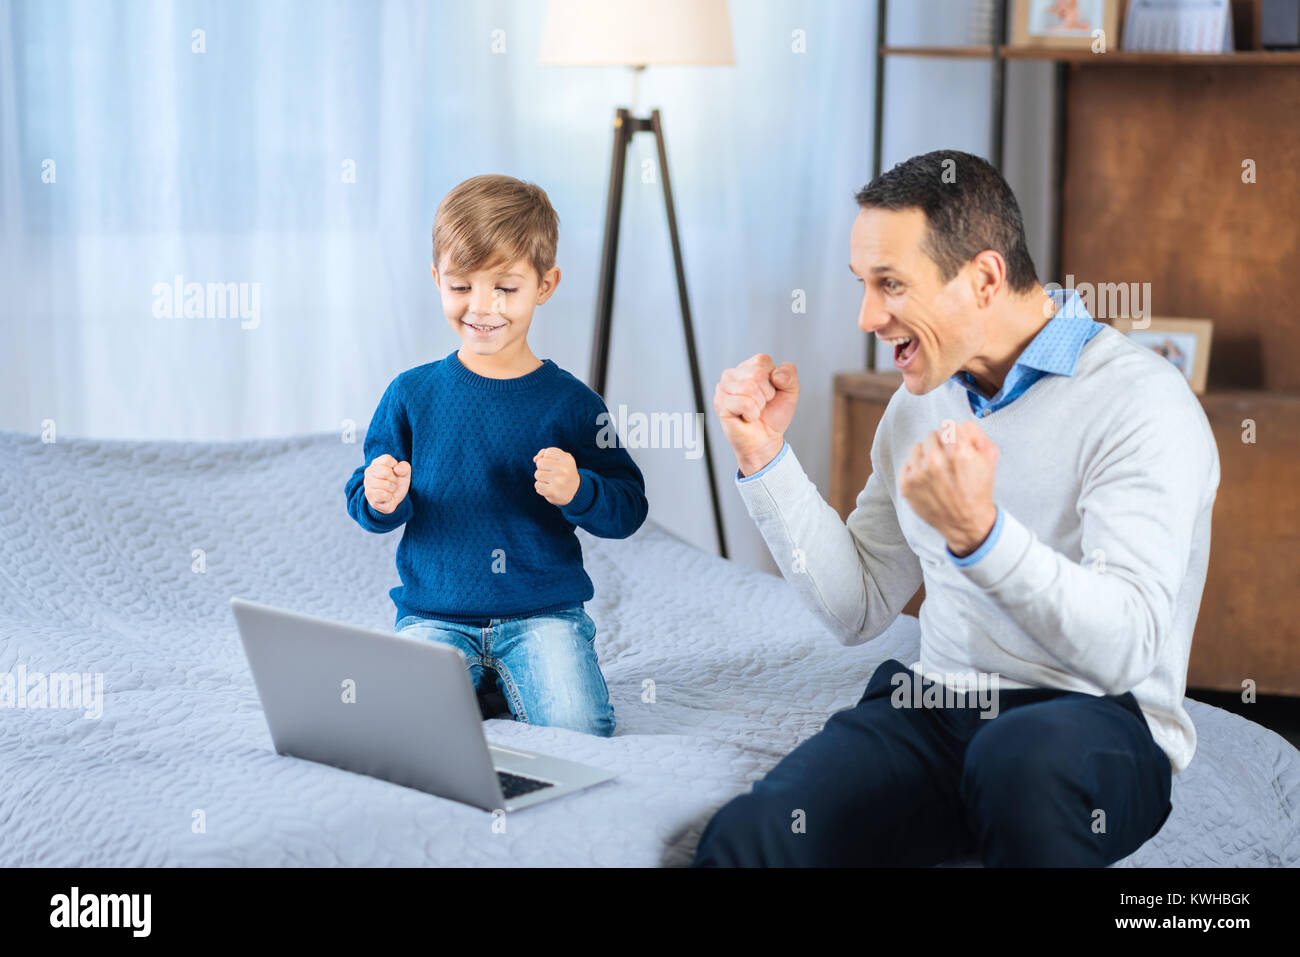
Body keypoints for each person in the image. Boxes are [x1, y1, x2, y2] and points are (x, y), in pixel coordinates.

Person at [696, 149, 1220, 866]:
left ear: (983, 278)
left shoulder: (1140, 403)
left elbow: (1126, 647)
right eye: (862, 285)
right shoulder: (920, 401)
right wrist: (764, 460)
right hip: (937, 705)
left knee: (1018, 761)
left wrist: (984, 536)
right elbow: (858, 608)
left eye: (891, 285)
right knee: (752, 833)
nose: (867, 316)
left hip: (1097, 716)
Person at [344, 174, 648, 737]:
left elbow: (628, 508)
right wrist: (382, 496)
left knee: (580, 731)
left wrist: (581, 491)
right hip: (434, 618)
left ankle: (499, 688)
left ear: (545, 285)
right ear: (437, 279)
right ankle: (483, 692)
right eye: (461, 286)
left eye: (505, 288)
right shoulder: (410, 395)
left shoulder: (573, 403)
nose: (482, 307)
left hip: (543, 616)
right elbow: (365, 498)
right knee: (398, 734)